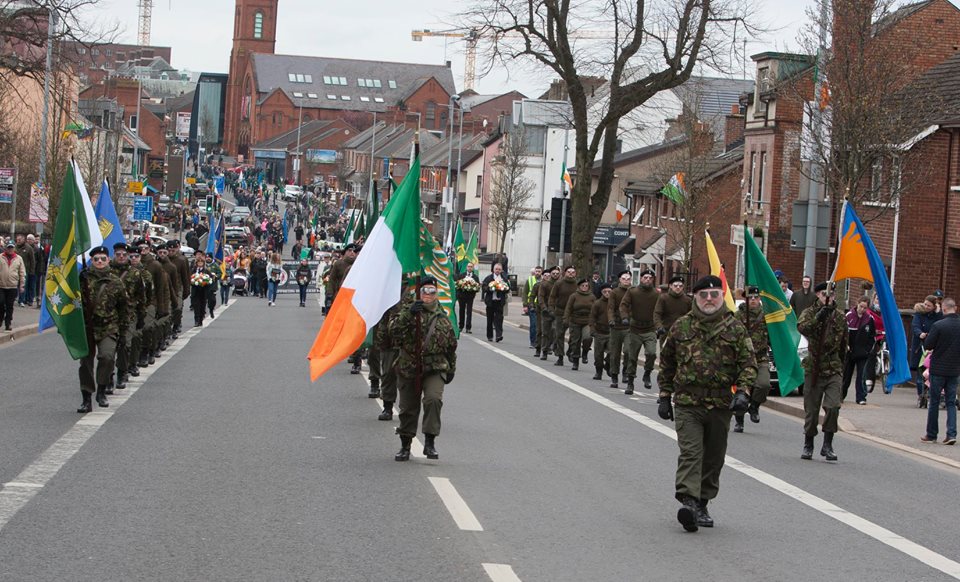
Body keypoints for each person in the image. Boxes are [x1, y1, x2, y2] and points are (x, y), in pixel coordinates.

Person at [657, 275, 757, 532]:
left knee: (713, 457)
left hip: (721, 403)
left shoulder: (735, 328)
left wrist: (743, 392)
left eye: (714, 294)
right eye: (704, 295)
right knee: (692, 452)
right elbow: (667, 364)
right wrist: (665, 397)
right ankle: (688, 503)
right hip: (688, 403)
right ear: (696, 298)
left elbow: (748, 364)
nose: (709, 299)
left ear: (722, 297)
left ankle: (702, 502)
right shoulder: (681, 327)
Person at [390, 276, 458, 461]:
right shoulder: (408, 310)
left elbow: (451, 345)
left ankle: (430, 441)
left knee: (433, 400)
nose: (428, 295)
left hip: (435, 367)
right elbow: (393, 331)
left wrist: (451, 368)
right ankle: (405, 444)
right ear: (419, 293)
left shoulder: (443, 316)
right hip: (409, 366)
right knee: (407, 408)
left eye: (432, 291)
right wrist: (409, 314)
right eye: (425, 291)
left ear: (436, 294)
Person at [797, 282, 848, 462]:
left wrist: (842, 369)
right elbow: (802, 328)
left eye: (831, 295)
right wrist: (819, 317)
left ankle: (828, 444)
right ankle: (808, 443)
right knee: (811, 411)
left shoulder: (840, 317)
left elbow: (843, 345)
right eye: (824, 294)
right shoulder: (809, 312)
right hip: (814, 368)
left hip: (833, 368)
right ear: (818, 295)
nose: (829, 298)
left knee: (833, 406)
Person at [77, 246, 128, 412]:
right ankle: (86, 398)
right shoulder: (83, 279)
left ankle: (101, 390)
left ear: (108, 260)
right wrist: (78, 281)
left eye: (103, 259)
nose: (99, 262)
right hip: (87, 327)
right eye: (96, 259)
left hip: (108, 326)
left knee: (107, 357)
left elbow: (123, 309)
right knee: (85, 364)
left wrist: (123, 333)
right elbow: (72, 302)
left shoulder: (116, 282)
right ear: (91, 261)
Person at [922, 298, 960, 445]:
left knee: (934, 402)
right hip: (954, 369)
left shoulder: (938, 325)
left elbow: (929, 344)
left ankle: (931, 434)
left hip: (938, 368)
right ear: (954, 308)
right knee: (951, 402)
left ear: (943, 309)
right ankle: (951, 434)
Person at [734, 287, 772, 433]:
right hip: (743, 358)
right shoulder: (738, 316)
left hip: (760, 357)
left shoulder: (766, 316)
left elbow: (775, 334)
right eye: (751, 297)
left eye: (756, 297)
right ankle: (739, 420)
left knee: (763, 384)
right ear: (746, 299)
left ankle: (754, 406)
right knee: (742, 390)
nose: (754, 300)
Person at [620, 268, 659, 393]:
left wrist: (660, 326)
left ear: (653, 280)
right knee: (632, 357)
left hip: (650, 329)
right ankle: (630, 382)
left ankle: (647, 373)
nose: (647, 280)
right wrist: (625, 317)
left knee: (652, 353)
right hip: (635, 329)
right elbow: (624, 305)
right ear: (641, 278)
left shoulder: (656, 294)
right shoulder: (633, 292)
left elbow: (660, 311)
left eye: (650, 278)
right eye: (645, 277)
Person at [842, 297, 877, 405]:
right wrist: (846, 345)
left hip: (862, 353)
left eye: (865, 308)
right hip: (850, 351)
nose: (862, 309)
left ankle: (861, 397)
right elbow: (843, 333)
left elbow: (872, 336)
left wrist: (867, 350)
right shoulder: (848, 316)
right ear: (857, 304)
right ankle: (841, 395)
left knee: (861, 376)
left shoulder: (869, 319)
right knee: (846, 375)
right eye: (861, 306)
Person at [911, 296, 942, 405]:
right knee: (921, 372)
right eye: (925, 304)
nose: (926, 307)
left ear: (934, 307)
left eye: (929, 305)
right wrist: (920, 333)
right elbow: (915, 326)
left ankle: (932, 393)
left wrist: (938, 313)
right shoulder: (919, 314)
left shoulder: (937, 316)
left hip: (933, 346)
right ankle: (921, 395)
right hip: (920, 346)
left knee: (931, 372)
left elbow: (940, 325)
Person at [607, 270, 633, 388]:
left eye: (628, 279)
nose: (626, 281)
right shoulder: (615, 292)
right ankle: (614, 375)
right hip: (616, 326)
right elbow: (610, 308)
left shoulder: (634, 292)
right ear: (620, 280)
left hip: (629, 327)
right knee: (615, 353)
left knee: (628, 351)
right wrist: (611, 320)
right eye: (624, 278)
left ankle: (626, 372)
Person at [549, 266, 578, 366]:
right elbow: (552, 297)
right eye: (569, 272)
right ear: (565, 273)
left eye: (573, 272)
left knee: (574, 335)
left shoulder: (578, 284)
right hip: (560, 312)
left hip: (573, 313)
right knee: (559, 334)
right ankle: (560, 356)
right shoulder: (559, 283)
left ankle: (571, 350)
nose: (571, 274)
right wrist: (552, 309)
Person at [564, 278, 595, 371]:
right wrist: (566, 319)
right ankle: (575, 361)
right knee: (575, 341)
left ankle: (585, 352)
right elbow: (568, 308)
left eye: (586, 286)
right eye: (583, 286)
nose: (584, 287)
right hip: (575, 321)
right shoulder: (574, 296)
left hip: (587, 321)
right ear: (579, 286)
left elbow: (595, 310)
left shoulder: (592, 297)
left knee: (588, 337)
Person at [654, 275, 692, 346]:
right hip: (666, 331)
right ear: (671, 286)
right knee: (665, 354)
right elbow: (657, 314)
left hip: (682, 331)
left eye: (680, 286)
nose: (678, 287)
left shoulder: (688, 300)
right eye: (676, 285)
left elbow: (691, 315)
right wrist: (659, 326)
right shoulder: (663, 298)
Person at [0, 240, 25, 331]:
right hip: (1, 285)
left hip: (12, 286)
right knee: (1, 303)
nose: (10, 249)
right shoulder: (1, 257)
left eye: (11, 248)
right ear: (6, 248)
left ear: (14, 248)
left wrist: (22, 284)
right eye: (8, 247)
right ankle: (0, 318)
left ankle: (8, 323)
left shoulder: (19, 258)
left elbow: (22, 272)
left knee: (10, 305)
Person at [590, 283, 612, 380]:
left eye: (609, 291)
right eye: (605, 292)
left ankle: (608, 364)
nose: (607, 293)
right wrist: (592, 330)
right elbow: (592, 318)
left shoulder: (614, 303)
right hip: (599, 332)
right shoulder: (597, 303)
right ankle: (598, 371)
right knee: (598, 355)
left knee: (612, 352)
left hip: (611, 332)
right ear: (601, 292)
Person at [482, 263, 509, 342]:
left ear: (501, 270)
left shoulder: (504, 279)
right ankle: (490, 336)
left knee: (499, 319)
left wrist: (503, 288)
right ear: (493, 270)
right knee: (489, 320)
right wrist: (491, 288)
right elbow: (484, 287)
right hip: (491, 302)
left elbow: (508, 288)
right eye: (496, 269)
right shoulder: (489, 278)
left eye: (499, 269)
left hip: (499, 302)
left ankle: (498, 335)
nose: (497, 271)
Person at [537, 266, 560, 360]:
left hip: (557, 311)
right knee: (545, 332)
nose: (555, 275)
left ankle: (553, 345)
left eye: (557, 273)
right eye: (553, 273)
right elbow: (541, 296)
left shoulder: (560, 284)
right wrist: (544, 307)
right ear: (550, 274)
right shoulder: (545, 284)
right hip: (546, 311)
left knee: (555, 330)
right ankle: (544, 351)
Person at [189, 251, 216, 326]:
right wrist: (193, 280)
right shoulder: (194, 270)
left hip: (203, 291)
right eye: (198, 262)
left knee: (202, 305)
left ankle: (201, 318)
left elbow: (210, 279)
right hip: (195, 290)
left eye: (201, 263)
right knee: (196, 305)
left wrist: (206, 280)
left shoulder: (206, 270)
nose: (200, 264)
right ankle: (196, 320)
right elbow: (190, 277)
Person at [455, 262, 480, 334]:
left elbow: (478, 287)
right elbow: (457, 285)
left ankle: (468, 327)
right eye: (468, 266)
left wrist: (473, 288)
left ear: (473, 268)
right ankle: (461, 326)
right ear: (466, 267)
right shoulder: (462, 275)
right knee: (461, 311)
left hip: (470, 296)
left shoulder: (475, 277)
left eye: (471, 267)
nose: (469, 268)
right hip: (462, 296)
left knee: (469, 312)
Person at [521, 267, 541, 348]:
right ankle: (533, 342)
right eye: (536, 271)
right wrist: (525, 305)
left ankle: (539, 342)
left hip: (541, 305)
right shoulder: (530, 280)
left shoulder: (545, 280)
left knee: (541, 325)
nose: (537, 273)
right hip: (532, 305)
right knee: (533, 324)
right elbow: (525, 293)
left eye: (539, 271)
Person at [14, 234, 35, 307]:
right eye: (17, 239)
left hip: (25, 270)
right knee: (14, 285)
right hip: (15, 270)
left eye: (20, 239)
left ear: (23, 240)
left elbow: (32, 260)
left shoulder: (28, 248)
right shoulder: (14, 247)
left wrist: (32, 271)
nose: (18, 241)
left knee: (23, 286)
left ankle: (21, 300)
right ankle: (14, 298)